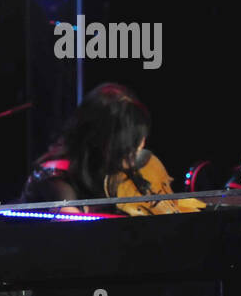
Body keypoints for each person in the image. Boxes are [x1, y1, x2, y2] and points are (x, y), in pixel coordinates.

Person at [19, 83, 150, 213]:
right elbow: (72, 223)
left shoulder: (108, 169)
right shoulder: (56, 176)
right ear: (104, 141)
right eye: (133, 141)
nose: (141, 145)